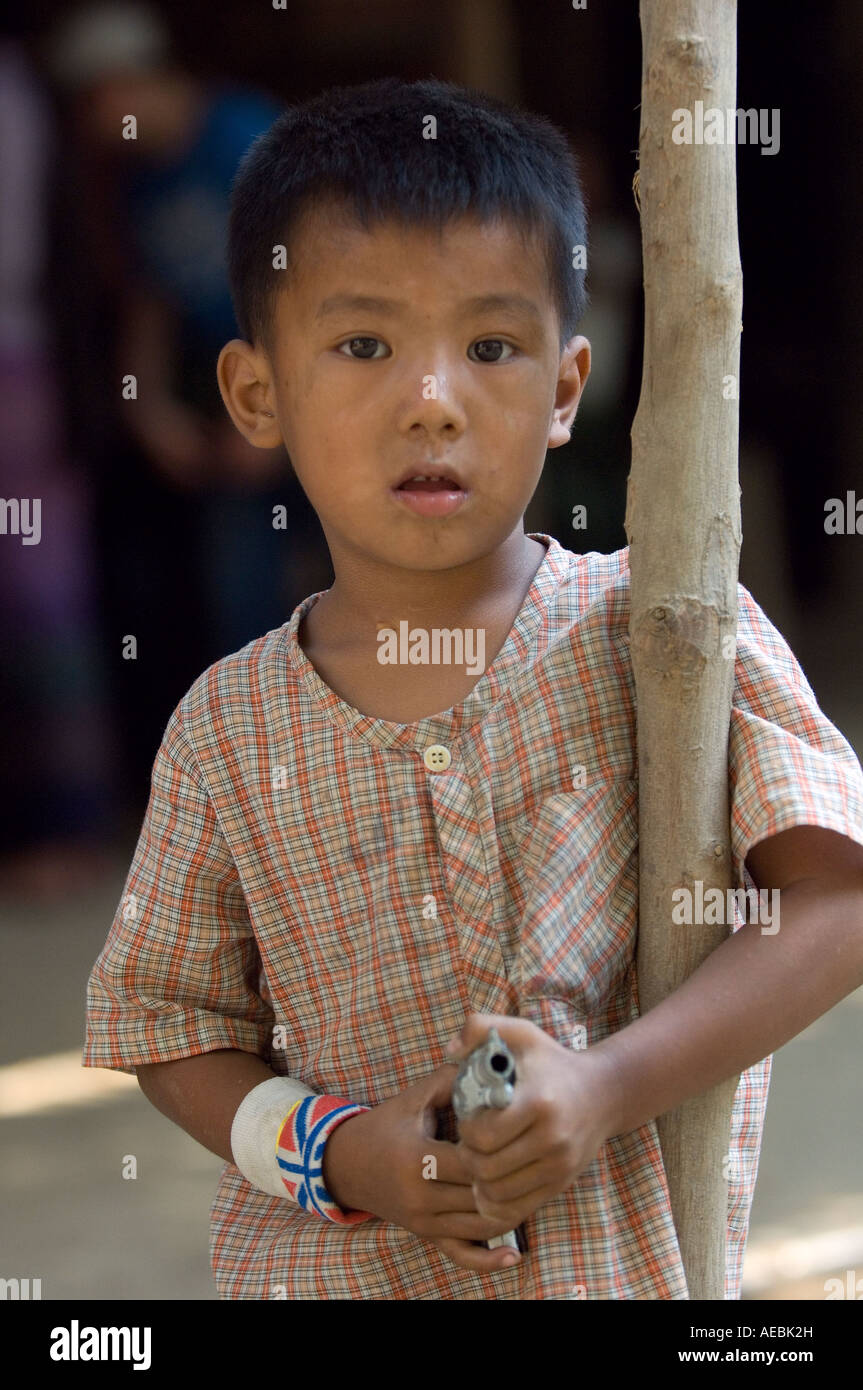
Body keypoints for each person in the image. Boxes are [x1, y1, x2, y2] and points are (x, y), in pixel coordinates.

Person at [82, 77, 863, 1301]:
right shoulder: (223, 731)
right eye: (362, 345)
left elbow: (834, 898)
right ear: (253, 394)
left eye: (491, 347)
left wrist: (610, 1086)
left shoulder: (664, 634)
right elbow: (174, 1029)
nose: (432, 400)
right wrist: (340, 1155)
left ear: (564, 387)